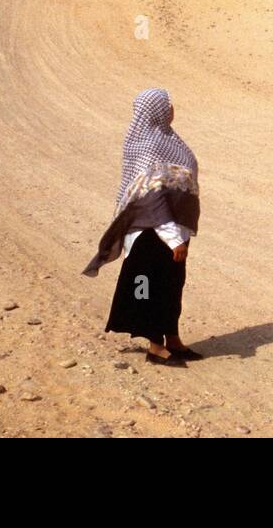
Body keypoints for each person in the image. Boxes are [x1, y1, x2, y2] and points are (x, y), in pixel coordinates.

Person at [83, 88, 203, 366]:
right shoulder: (147, 145)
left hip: (172, 230)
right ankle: (155, 346)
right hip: (151, 233)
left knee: (173, 285)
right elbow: (154, 199)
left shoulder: (170, 140)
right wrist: (174, 239)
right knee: (151, 287)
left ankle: (173, 338)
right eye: (167, 104)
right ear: (156, 110)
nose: (172, 108)